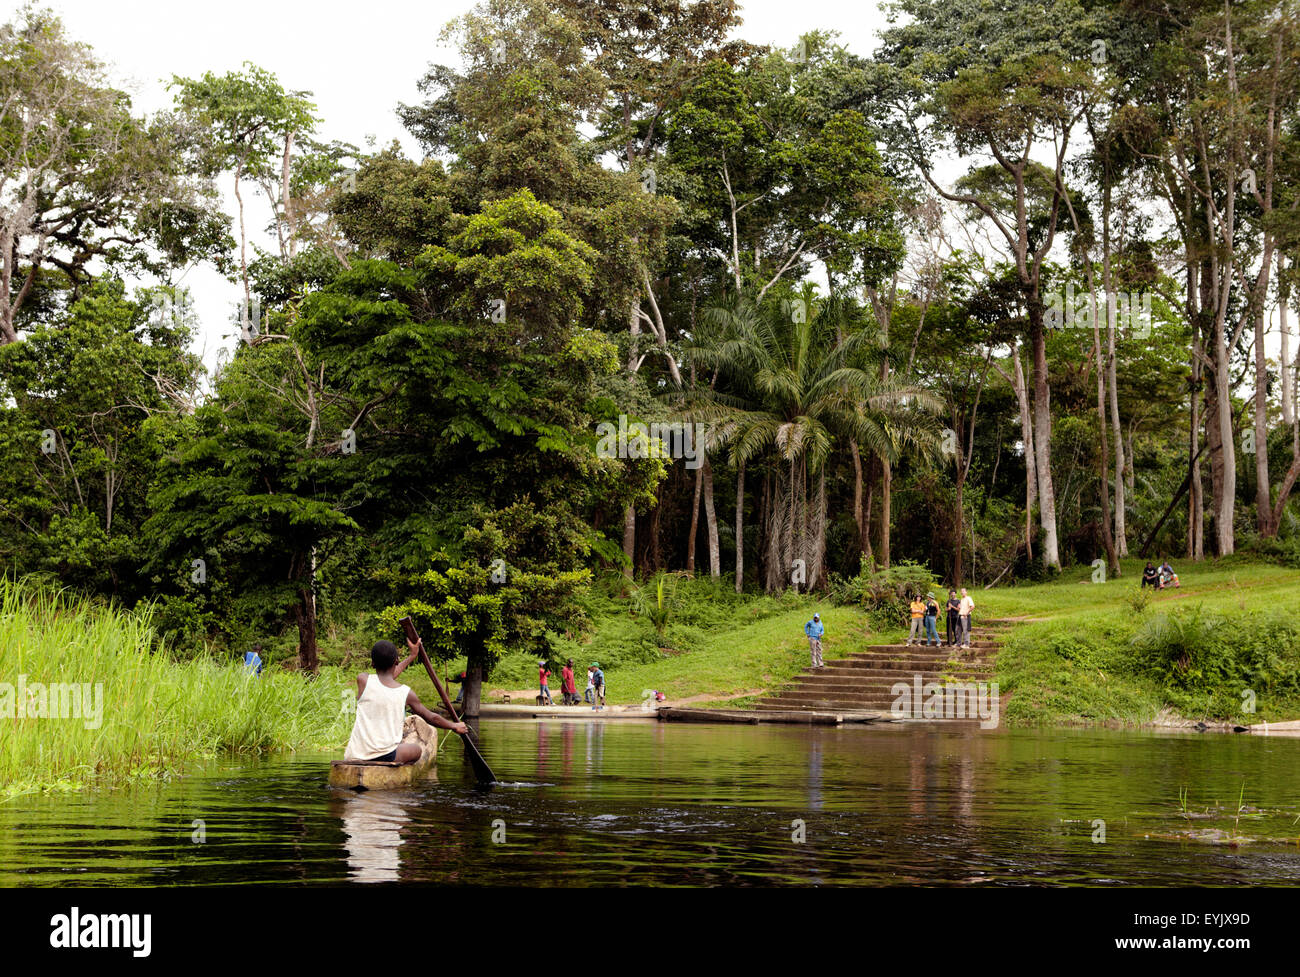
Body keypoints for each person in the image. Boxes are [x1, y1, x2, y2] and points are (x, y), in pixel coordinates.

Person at [344, 638, 467, 763]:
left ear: (373, 664)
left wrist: (412, 656)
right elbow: (431, 717)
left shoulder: (363, 680)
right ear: (396, 661)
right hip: (386, 756)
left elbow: (385, 678)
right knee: (416, 750)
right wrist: (454, 725)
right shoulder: (406, 693)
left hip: (355, 754)